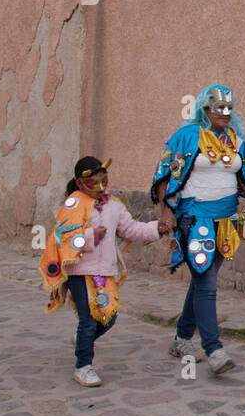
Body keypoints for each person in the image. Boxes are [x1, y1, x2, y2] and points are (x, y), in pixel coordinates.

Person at [152, 84, 245, 374]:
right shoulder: (186, 136)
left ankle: (182, 337)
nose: (225, 113)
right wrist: (166, 212)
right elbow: (165, 176)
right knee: (206, 284)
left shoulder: (236, 141)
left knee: (201, 280)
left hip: (227, 221)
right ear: (205, 109)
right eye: (219, 108)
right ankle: (214, 348)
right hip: (196, 220)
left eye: (229, 108)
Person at [40, 156, 166, 387]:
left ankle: (82, 341)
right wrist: (90, 237)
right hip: (80, 272)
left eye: (103, 181)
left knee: (108, 317)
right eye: (92, 183)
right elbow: (63, 239)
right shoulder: (73, 204)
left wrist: (157, 228)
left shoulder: (114, 206)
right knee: (88, 319)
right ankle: (83, 366)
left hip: (104, 272)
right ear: (80, 184)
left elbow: (131, 229)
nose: (99, 188)